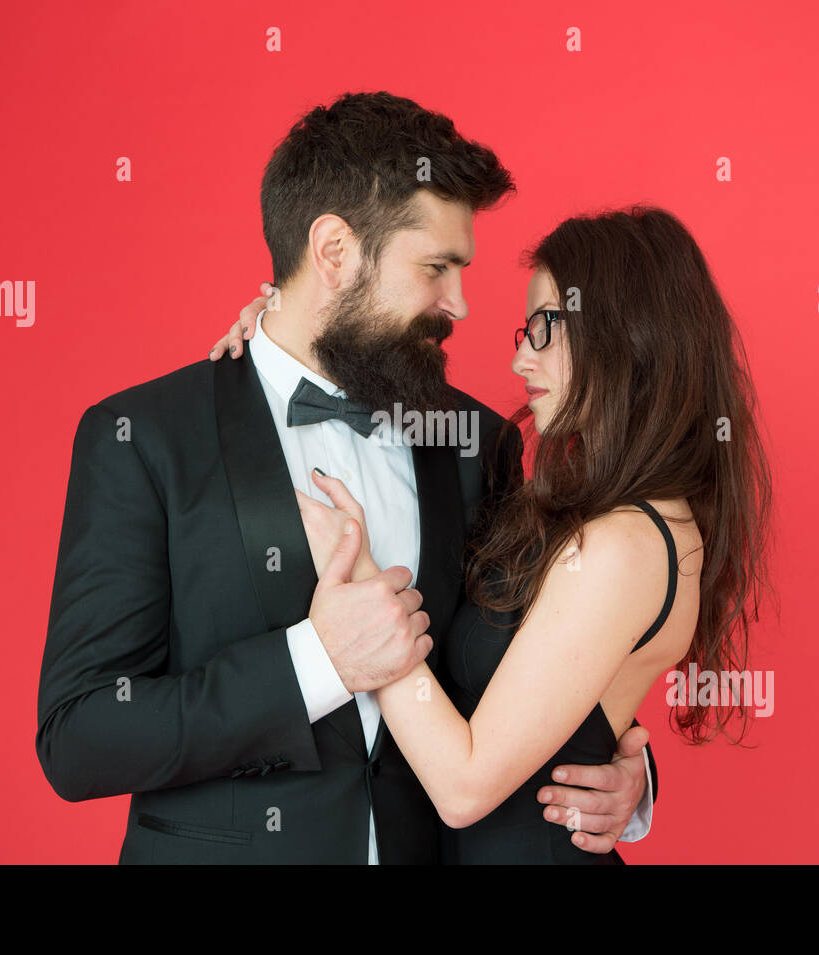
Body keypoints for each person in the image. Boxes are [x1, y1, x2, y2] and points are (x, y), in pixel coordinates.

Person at [36, 91, 658, 864]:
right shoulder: (144, 438)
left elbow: (519, 661)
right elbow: (81, 735)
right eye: (436, 268)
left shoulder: (478, 442)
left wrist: (622, 775)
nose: (459, 304)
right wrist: (317, 663)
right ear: (334, 251)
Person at [212, 204, 774, 863]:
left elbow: (463, 786)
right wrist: (286, 339)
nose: (519, 359)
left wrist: (358, 573)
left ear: (627, 332)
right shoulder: (574, 510)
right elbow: (554, 695)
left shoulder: (626, 545)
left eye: (545, 327)